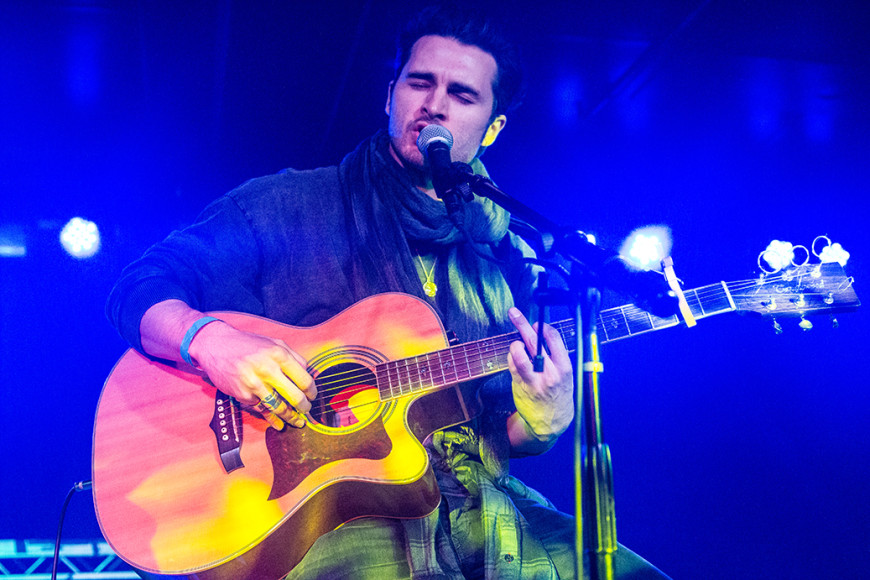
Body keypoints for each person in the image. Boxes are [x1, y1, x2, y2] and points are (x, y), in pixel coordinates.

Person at [107, 6, 669, 579]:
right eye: (419, 82)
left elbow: (491, 429)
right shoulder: (289, 206)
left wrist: (541, 425)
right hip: (331, 522)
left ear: (493, 127)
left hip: (482, 511)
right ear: (391, 95)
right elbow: (140, 286)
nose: (435, 104)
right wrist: (214, 342)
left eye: (463, 94)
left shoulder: (506, 260)